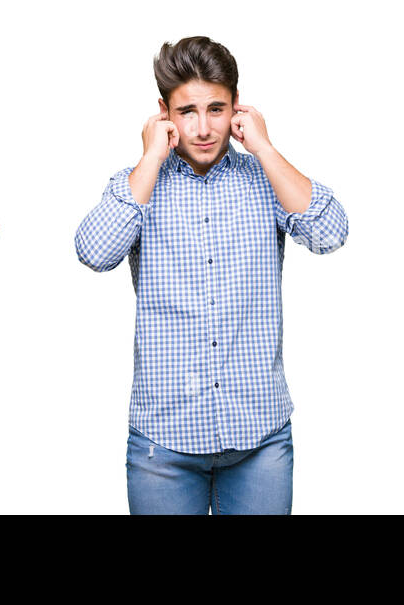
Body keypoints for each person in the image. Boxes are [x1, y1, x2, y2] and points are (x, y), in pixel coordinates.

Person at [75, 36, 348, 515]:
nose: (203, 128)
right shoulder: (137, 182)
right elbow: (95, 253)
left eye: (216, 109)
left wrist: (263, 147)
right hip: (165, 443)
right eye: (187, 112)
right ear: (164, 114)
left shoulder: (266, 179)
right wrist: (151, 158)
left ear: (237, 107)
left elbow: (330, 231)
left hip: (259, 439)